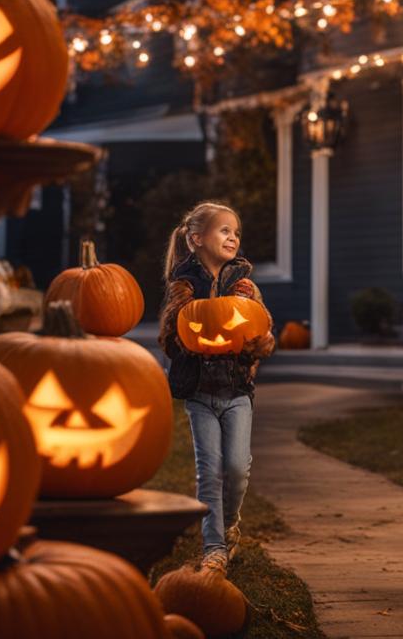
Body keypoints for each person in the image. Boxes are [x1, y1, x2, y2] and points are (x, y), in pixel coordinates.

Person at [158, 201, 275, 574]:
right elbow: (169, 337)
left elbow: (263, 332)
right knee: (209, 471)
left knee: (237, 469)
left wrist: (257, 345)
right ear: (195, 239)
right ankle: (214, 547)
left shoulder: (244, 285)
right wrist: (191, 337)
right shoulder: (184, 286)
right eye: (224, 230)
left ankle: (228, 526)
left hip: (238, 392)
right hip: (200, 393)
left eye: (235, 232)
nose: (232, 237)